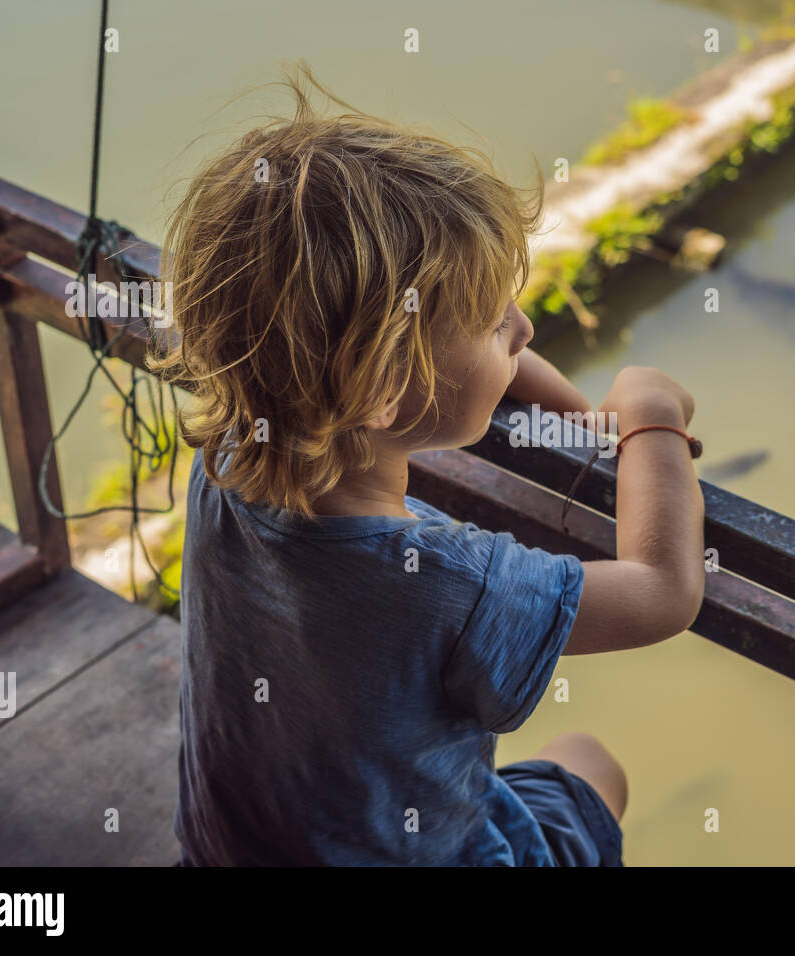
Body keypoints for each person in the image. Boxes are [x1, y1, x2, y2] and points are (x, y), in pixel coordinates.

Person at [154, 65, 705, 866]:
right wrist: (647, 416)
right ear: (381, 392)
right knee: (593, 761)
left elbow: (442, 360)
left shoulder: (232, 455)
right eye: (492, 323)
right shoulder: (448, 586)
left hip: (236, 845)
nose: (522, 330)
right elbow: (662, 593)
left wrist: (574, 409)